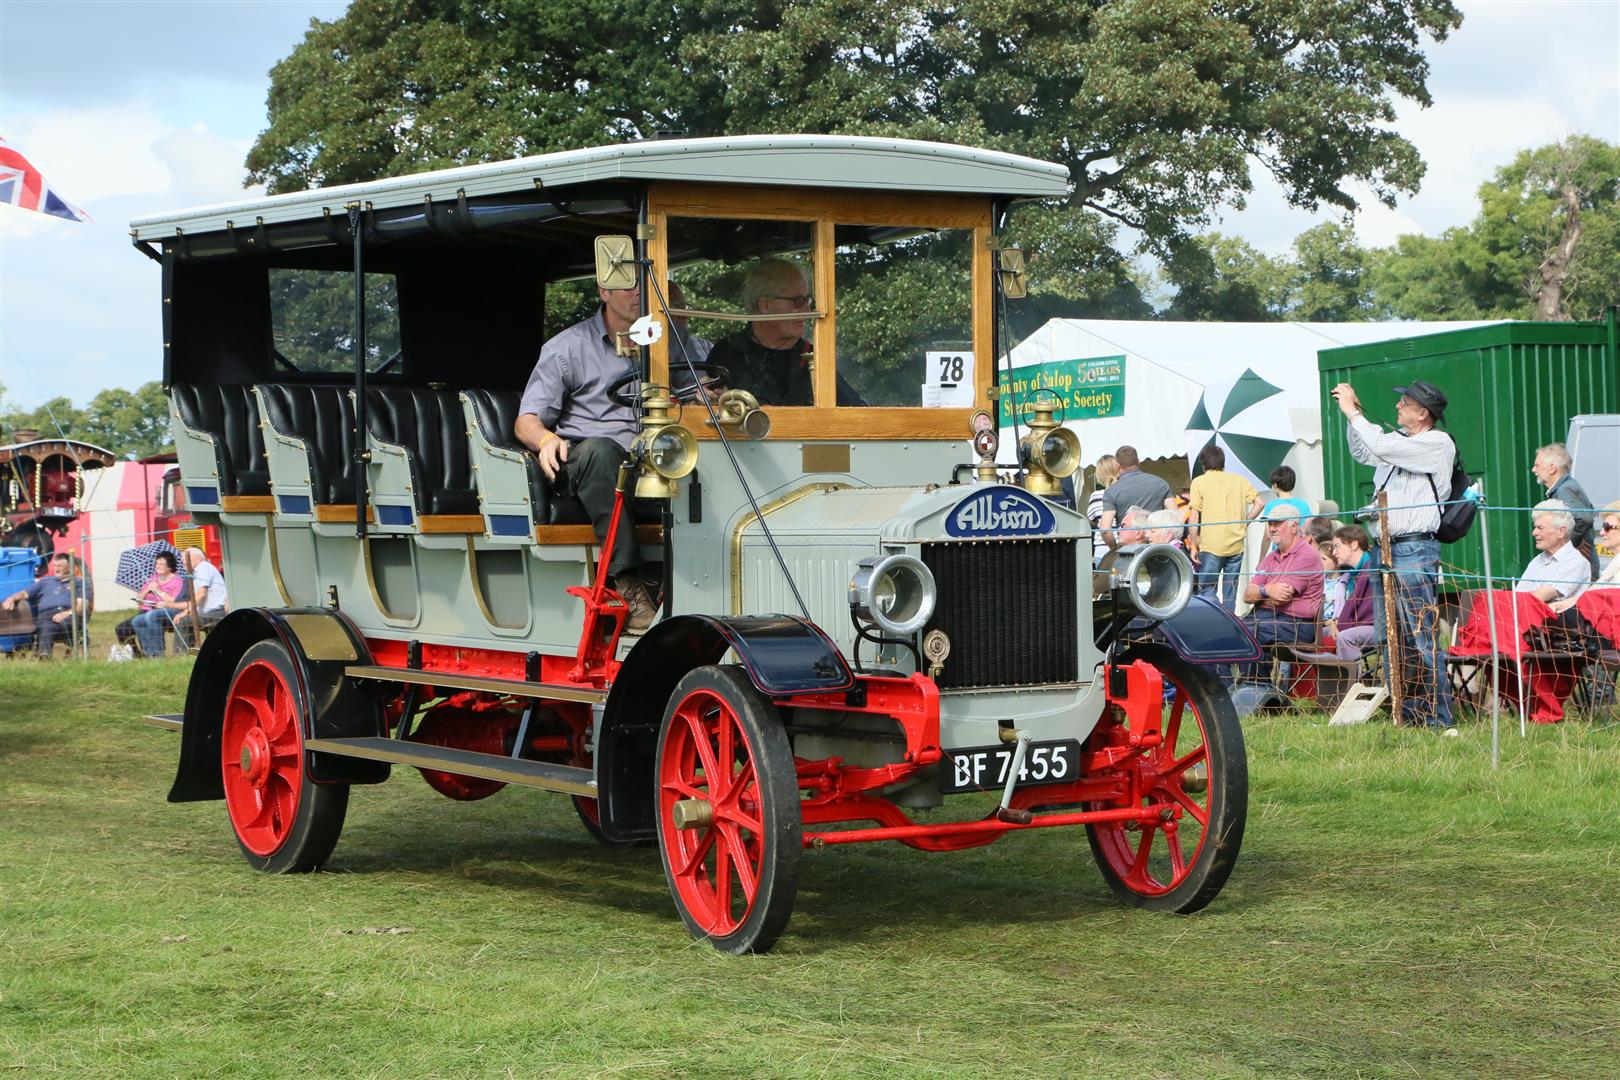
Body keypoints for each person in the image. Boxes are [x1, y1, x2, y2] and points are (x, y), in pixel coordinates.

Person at [515, 276, 658, 632]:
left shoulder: (668, 342)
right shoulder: (567, 347)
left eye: (645, 282)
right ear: (604, 292)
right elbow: (526, 420)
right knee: (603, 451)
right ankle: (624, 583)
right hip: (584, 462)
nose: (639, 291)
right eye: (628, 284)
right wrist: (546, 439)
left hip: (654, 457)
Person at [1330, 378, 1457, 731]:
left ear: (1423, 412)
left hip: (1415, 547)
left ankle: (1438, 718)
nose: (1398, 406)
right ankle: (1406, 712)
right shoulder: (1398, 444)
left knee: (1420, 633)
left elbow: (1380, 446)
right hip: (1386, 547)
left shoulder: (1437, 443)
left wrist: (1353, 411)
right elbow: (1363, 451)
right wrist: (1351, 419)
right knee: (1391, 635)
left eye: (1406, 402)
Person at [706, 258, 864, 407]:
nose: (808, 310)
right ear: (765, 305)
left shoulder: (811, 355)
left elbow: (858, 410)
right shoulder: (729, 354)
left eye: (808, 300)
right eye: (798, 301)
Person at [1234, 507, 1324, 681]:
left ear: (1293, 526)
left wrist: (1260, 596)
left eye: (1277, 523)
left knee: (1250, 630)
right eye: (1270, 524)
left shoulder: (1306, 556)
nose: (1272, 528)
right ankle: (1240, 689)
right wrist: (1266, 590)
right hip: (1268, 618)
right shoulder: (1271, 557)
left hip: (1297, 624)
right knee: (1229, 629)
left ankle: (1258, 690)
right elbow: (1247, 595)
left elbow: (1281, 599)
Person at [1187, 444, 1256, 610]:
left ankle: (1213, 618)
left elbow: (1194, 515)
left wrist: (1193, 544)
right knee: (1230, 592)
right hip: (1236, 543)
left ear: (1204, 464)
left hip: (1211, 544)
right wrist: (1245, 521)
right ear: (1222, 463)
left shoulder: (1199, 482)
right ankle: (1230, 622)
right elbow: (1259, 503)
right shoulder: (1240, 480)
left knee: (1207, 589)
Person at [1, 552, 93, 657]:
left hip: (69, 614)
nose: (56, 569)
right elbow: (25, 593)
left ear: (70, 567)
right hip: (46, 615)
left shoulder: (79, 582)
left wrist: (66, 614)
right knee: (46, 625)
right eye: (54, 566)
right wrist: (11, 598)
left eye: (60, 566)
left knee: (67, 624)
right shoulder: (45, 581)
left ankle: (73, 650)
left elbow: (81, 605)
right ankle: (44, 654)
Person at [1531, 443, 1598, 577]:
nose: (1533, 469)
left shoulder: (1564, 490)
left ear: (1552, 468)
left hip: (1580, 565)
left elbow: (1584, 518)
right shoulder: (1565, 488)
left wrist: (1572, 542)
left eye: (1537, 465)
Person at [1549, 501, 1620, 615]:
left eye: (1607, 527)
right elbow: (1588, 596)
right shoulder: (1615, 563)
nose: (1601, 532)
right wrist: (1556, 606)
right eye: (1602, 527)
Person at [1099, 445, 1172, 551]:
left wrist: (1114, 549)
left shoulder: (1111, 491)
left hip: (1129, 550)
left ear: (1117, 466)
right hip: (1156, 548)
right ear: (1138, 461)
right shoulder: (1160, 483)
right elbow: (1175, 517)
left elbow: (1105, 530)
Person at [1514, 501, 1589, 604]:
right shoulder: (1537, 561)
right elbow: (1518, 594)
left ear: (1561, 531)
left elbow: (1538, 597)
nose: (1534, 533)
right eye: (1535, 527)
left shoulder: (1576, 562)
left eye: (1540, 528)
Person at [115, 550, 186, 658]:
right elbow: (139, 599)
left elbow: (175, 601)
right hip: (146, 609)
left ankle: (156, 653)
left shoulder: (177, 580)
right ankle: (137, 654)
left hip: (164, 611)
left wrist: (158, 590)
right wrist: (147, 589)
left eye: (162, 564)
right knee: (121, 628)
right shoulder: (152, 579)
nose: (158, 566)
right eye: (157, 563)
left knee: (147, 619)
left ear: (170, 566)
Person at [1326, 525, 1379, 660]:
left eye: (1337, 546)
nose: (1334, 553)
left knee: (1345, 637)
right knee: (1321, 633)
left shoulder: (1372, 568)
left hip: (1378, 626)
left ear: (1354, 545)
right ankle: (1324, 679)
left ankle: (1351, 680)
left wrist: (1339, 624)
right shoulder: (1352, 575)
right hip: (1357, 624)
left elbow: (1370, 614)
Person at [171, 547, 229, 650]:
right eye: (182, 559)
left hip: (216, 612)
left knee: (182, 621)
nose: (183, 562)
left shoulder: (203, 568)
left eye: (185, 559)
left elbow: (201, 595)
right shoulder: (197, 572)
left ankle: (181, 653)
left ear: (197, 558)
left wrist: (185, 612)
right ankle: (192, 651)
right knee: (188, 619)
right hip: (209, 612)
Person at [1085, 455, 1120, 566]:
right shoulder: (1124, 493)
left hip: (1102, 549)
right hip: (1123, 548)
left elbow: (1091, 520)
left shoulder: (1096, 496)